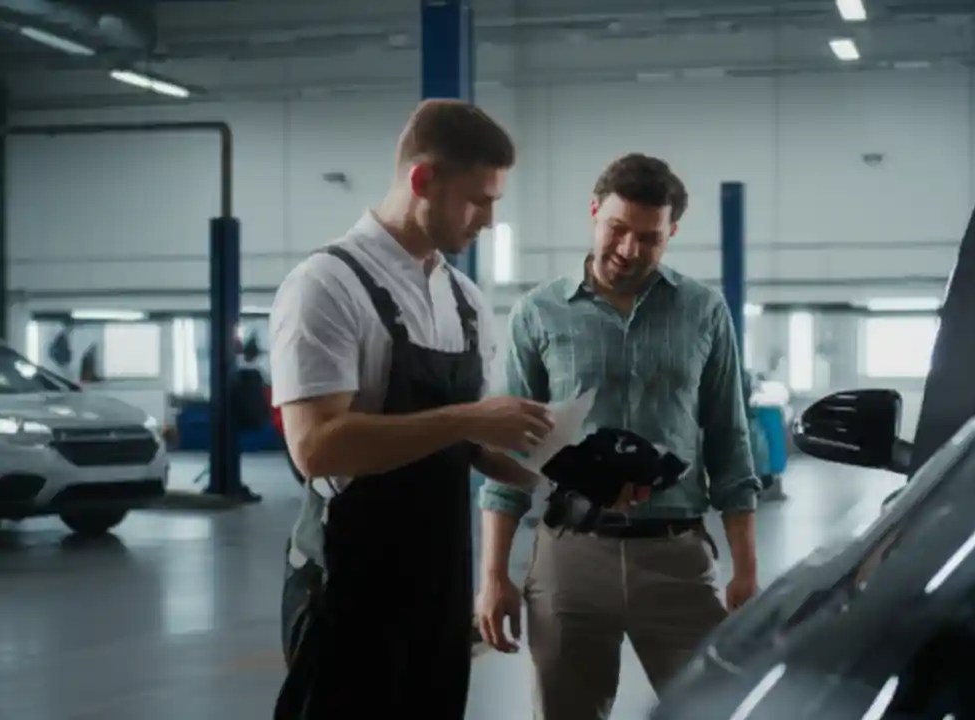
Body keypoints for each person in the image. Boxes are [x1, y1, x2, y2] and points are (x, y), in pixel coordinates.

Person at [268, 99, 552, 720]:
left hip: (437, 585)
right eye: (479, 199)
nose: (490, 220)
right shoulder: (326, 285)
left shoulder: (465, 300)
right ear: (423, 181)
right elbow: (315, 448)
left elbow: (465, 444)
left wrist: (558, 478)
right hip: (349, 587)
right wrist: (468, 419)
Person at [475, 152, 762, 719]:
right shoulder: (539, 313)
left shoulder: (703, 311)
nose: (630, 250)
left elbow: (730, 441)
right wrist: (493, 575)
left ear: (672, 232)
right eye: (618, 228)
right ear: (594, 213)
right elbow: (512, 450)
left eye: (650, 238)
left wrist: (747, 572)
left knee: (716, 710)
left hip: (677, 559)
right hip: (570, 558)